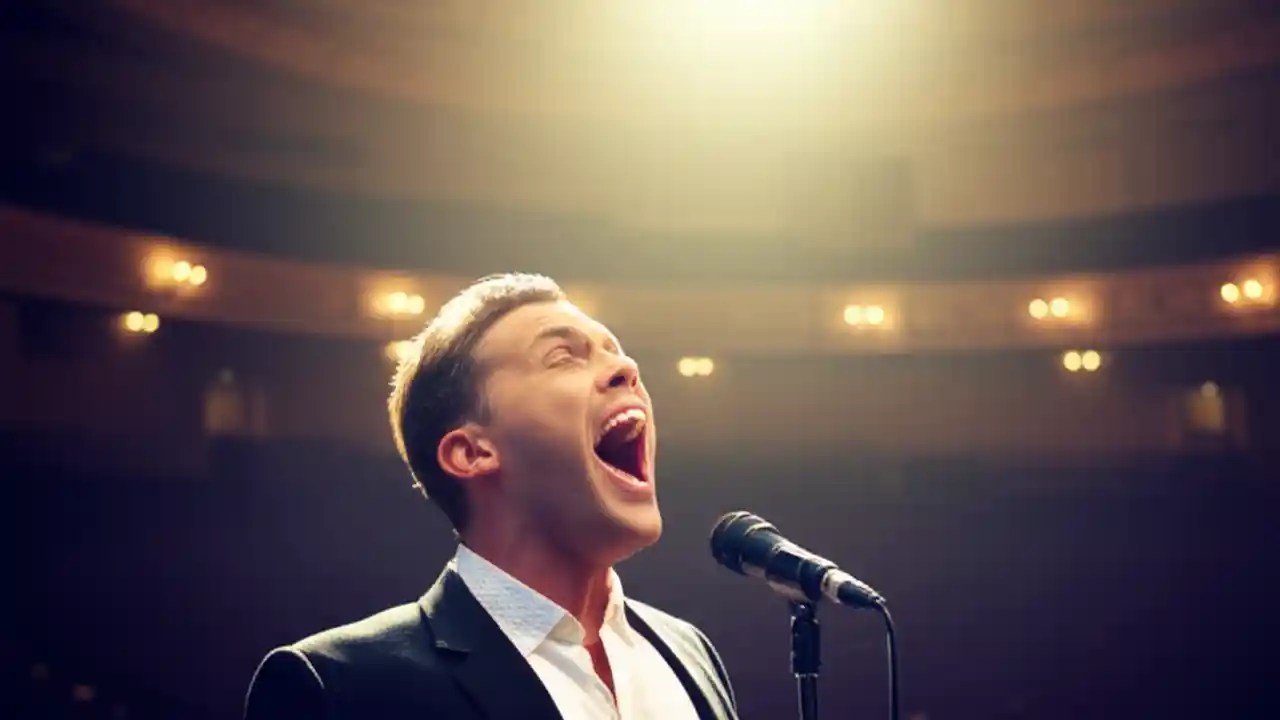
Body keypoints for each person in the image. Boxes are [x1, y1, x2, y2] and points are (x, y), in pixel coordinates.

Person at [244, 273, 737, 720]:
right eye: (563, 355)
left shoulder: (690, 653)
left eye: (615, 350)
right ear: (471, 452)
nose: (626, 368)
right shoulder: (336, 689)